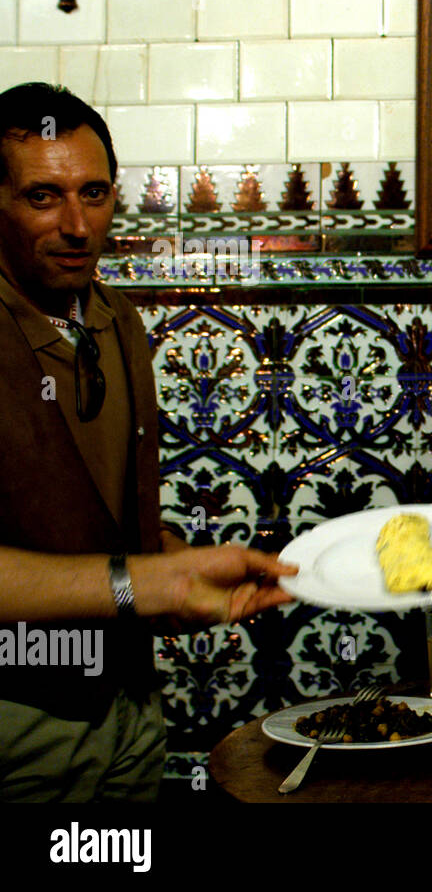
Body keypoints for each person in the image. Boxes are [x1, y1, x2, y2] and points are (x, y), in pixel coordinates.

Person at [0, 82, 296, 802]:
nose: (77, 224)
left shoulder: (116, 322)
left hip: (128, 717)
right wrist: (139, 585)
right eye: (44, 197)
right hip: (18, 724)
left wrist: (185, 570)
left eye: (94, 193)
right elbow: (117, 577)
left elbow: (106, 529)